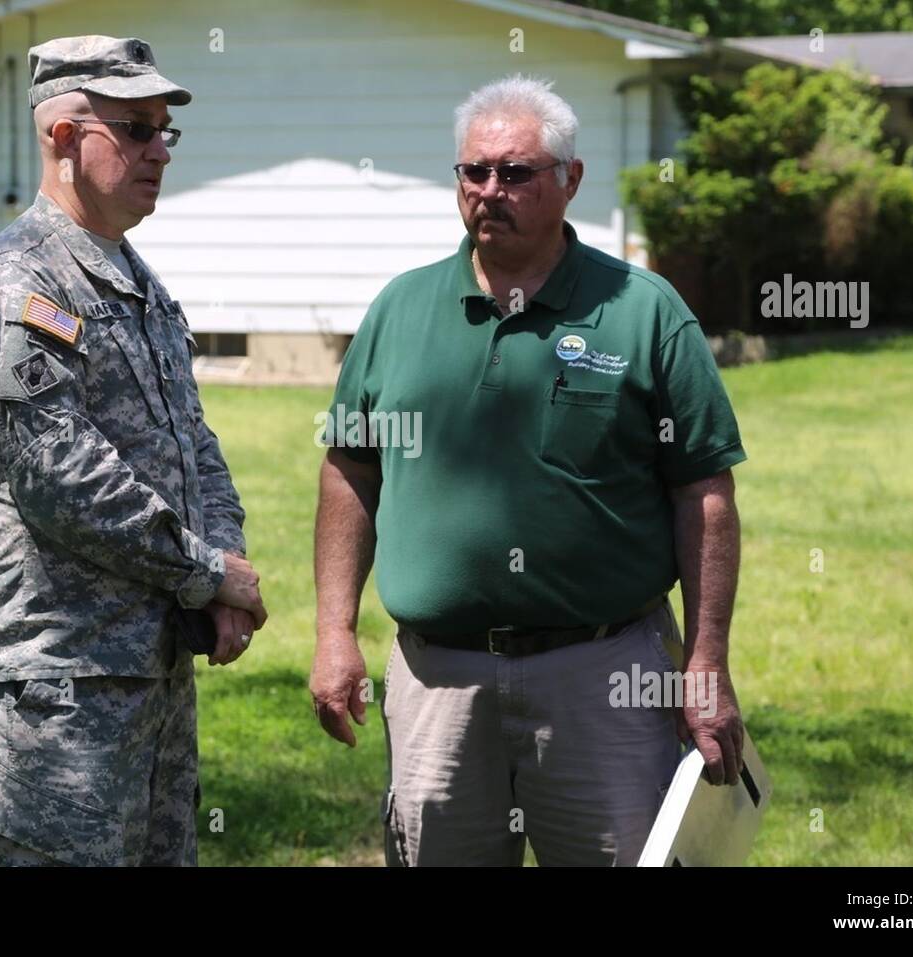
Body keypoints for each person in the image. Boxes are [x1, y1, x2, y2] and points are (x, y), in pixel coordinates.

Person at [309, 75, 747, 866]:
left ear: (570, 180)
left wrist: (706, 660)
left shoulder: (643, 311)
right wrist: (334, 631)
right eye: (473, 172)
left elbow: (703, 490)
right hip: (436, 679)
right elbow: (350, 470)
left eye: (516, 173)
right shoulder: (400, 311)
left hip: (604, 674)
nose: (489, 191)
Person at [0, 35, 266, 866]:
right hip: (53, 691)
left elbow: (195, 443)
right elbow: (62, 478)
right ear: (64, 138)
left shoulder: (136, 280)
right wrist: (207, 574)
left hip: (146, 674)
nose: (159, 150)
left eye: (165, 132)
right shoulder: (16, 285)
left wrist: (224, 561)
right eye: (136, 129)